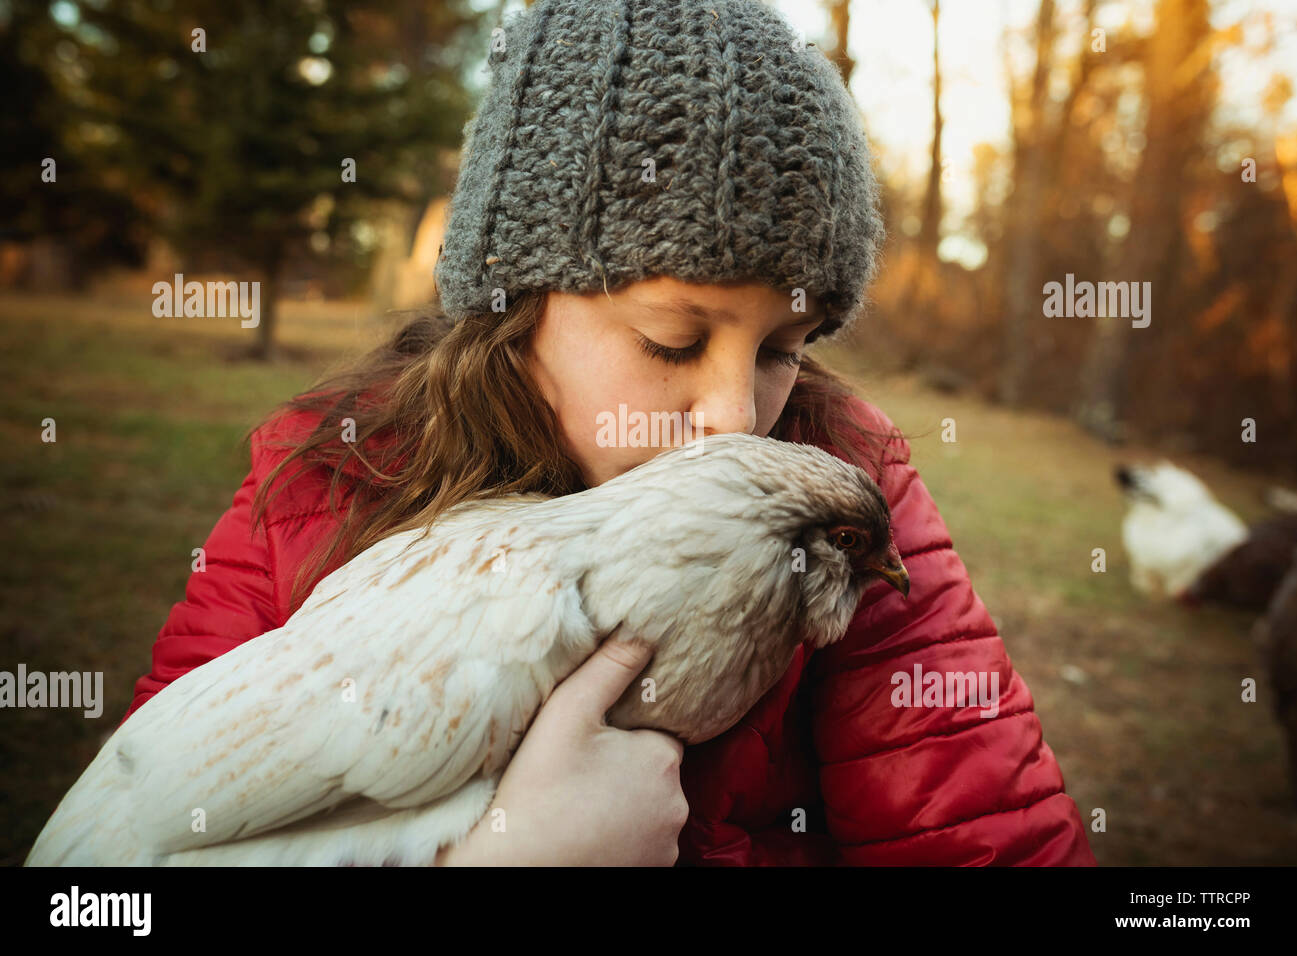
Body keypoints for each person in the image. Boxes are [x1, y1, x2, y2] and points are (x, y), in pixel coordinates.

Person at [123, 0, 1095, 866]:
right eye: (672, 340)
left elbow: (989, 830)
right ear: (514, 305)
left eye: (781, 349)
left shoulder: (843, 504)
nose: (732, 418)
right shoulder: (325, 485)